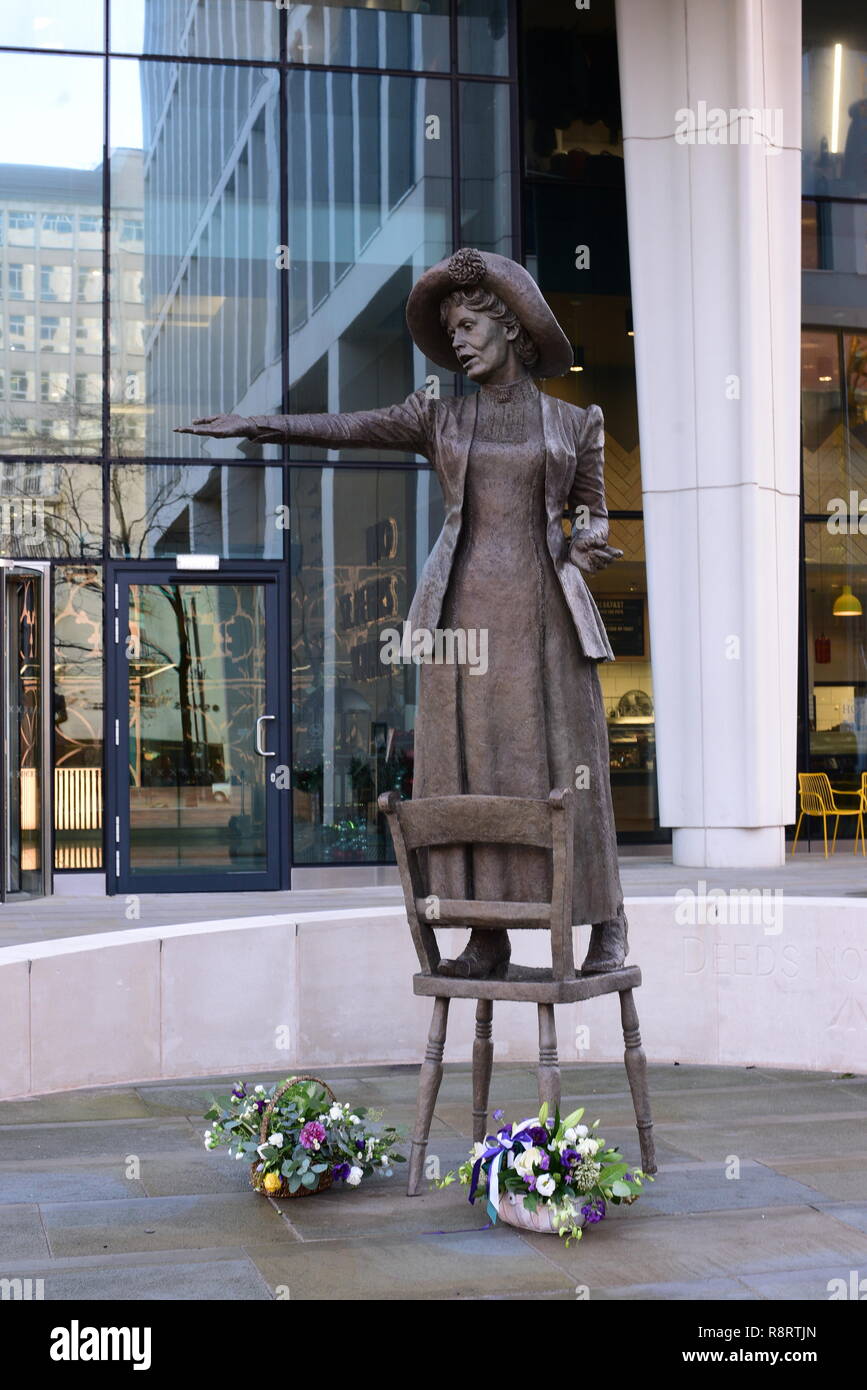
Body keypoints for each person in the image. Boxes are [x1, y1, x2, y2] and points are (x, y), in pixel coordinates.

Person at [177, 247, 628, 979]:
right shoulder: (439, 418)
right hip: (461, 618)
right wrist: (260, 424)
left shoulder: (575, 424)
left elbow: (595, 518)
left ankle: (605, 925)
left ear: (510, 327)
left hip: (548, 617)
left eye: (469, 323)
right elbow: (351, 426)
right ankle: (485, 935)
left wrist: (586, 547)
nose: (456, 338)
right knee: (468, 771)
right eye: (448, 326)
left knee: (565, 764)